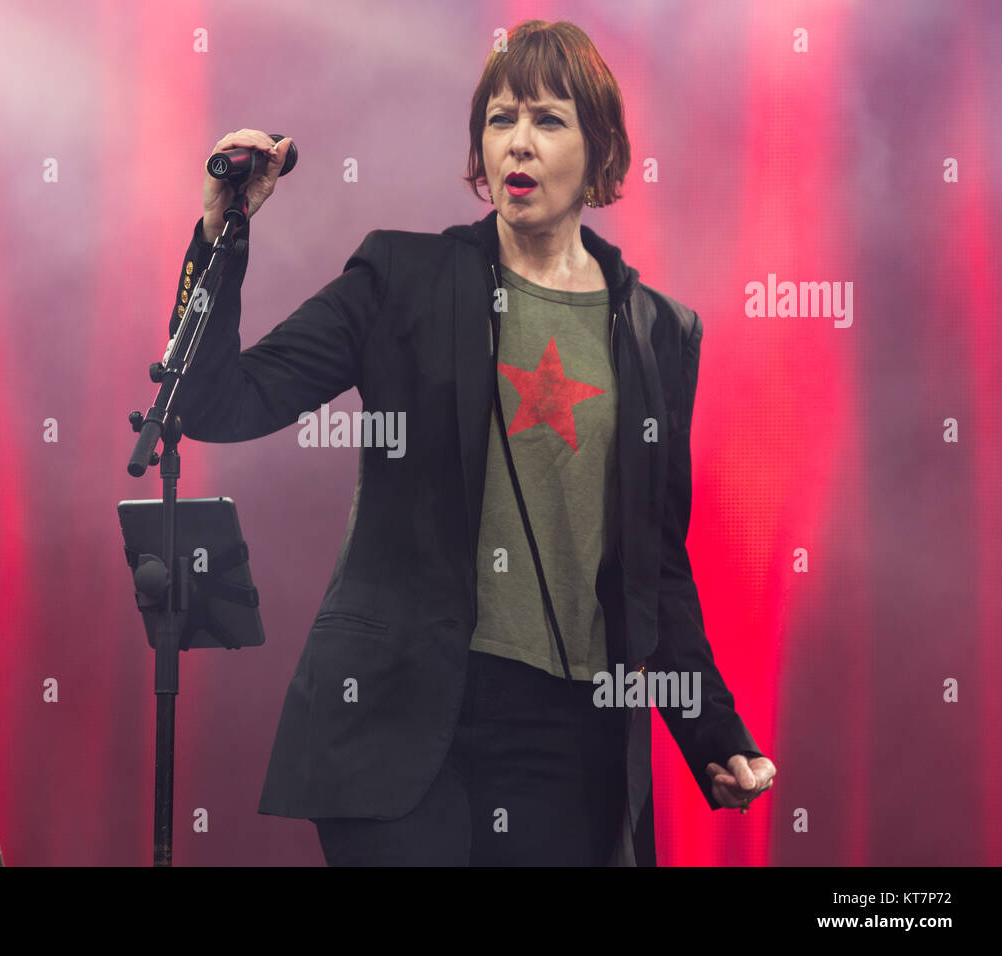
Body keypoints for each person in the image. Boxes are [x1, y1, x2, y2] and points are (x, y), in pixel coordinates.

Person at [167, 19, 776, 866]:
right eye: (500, 118)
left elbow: (656, 563)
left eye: (548, 119)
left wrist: (713, 732)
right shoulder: (401, 280)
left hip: (572, 734)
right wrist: (220, 239)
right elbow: (217, 403)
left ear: (600, 152)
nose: (518, 142)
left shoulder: (658, 332)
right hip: (406, 720)